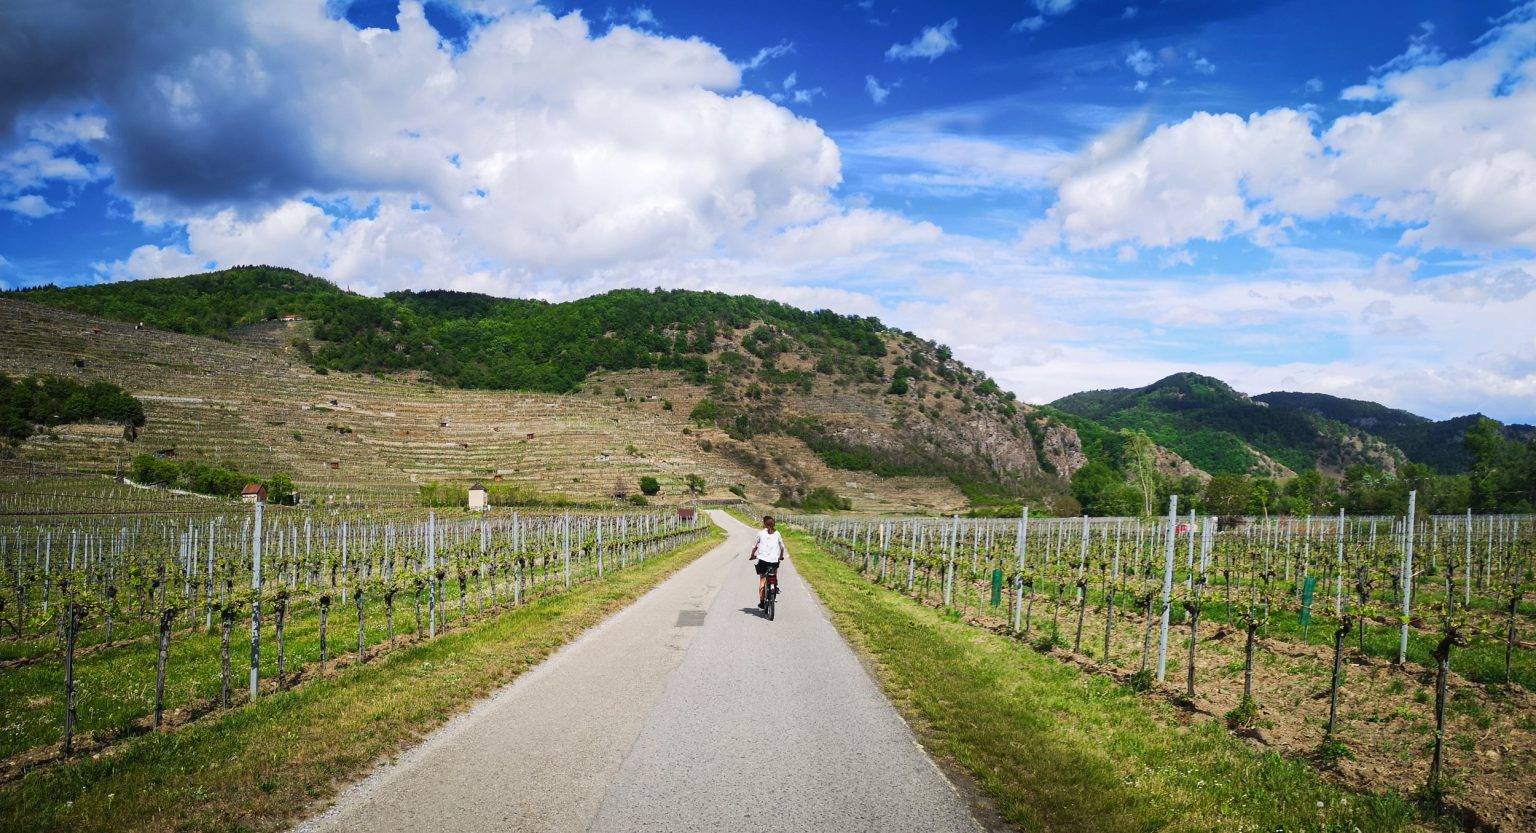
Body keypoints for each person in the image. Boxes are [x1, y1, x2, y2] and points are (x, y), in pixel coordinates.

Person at [747, 515, 787, 609]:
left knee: (762, 580)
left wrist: (752, 555)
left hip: (763, 561)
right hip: (774, 561)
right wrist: (781, 556)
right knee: (774, 574)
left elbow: (755, 546)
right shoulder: (777, 533)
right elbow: (782, 547)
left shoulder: (760, 533)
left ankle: (761, 602)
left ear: (764, 523)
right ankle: (775, 586)